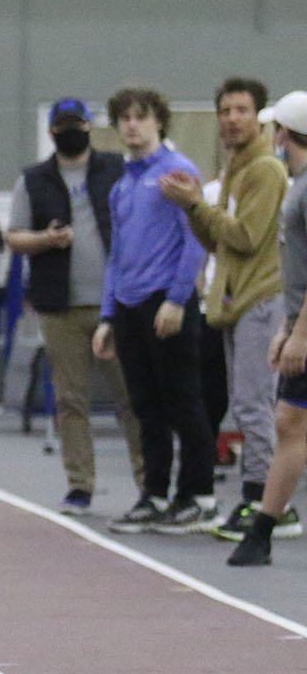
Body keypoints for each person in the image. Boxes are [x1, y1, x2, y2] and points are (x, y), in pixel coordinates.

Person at [158, 78, 290, 540]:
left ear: (260, 117)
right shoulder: (235, 168)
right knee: (243, 404)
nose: (232, 118)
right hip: (234, 303)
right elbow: (217, 243)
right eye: (225, 110)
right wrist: (195, 211)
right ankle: (261, 497)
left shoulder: (267, 170)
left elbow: (246, 237)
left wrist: (197, 203)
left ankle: (263, 501)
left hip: (260, 299)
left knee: (254, 406)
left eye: (241, 109)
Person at [5, 98, 146, 514]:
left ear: (89, 128)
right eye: (63, 125)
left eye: (77, 124)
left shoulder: (116, 169)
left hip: (117, 304)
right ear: (52, 132)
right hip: (59, 305)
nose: (71, 131)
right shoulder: (33, 180)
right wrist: (46, 240)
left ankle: (149, 482)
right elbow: (14, 237)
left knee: (132, 397)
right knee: (71, 399)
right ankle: (80, 485)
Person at [93, 88, 215, 532]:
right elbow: (118, 255)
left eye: (140, 117)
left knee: (183, 401)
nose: (131, 125)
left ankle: (199, 496)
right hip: (128, 305)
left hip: (166, 303)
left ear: (159, 122)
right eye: (123, 118)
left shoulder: (178, 172)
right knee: (145, 406)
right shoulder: (122, 185)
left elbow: (196, 240)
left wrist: (177, 300)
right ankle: (155, 494)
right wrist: (108, 316)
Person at [229, 90, 307, 564]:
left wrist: (300, 333)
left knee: (290, 423)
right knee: (289, 423)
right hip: (298, 322)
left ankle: (261, 531)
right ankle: (261, 531)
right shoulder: (297, 186)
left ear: (284, 132)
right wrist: (286, 326)